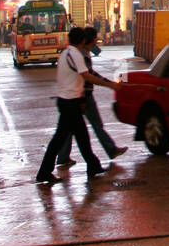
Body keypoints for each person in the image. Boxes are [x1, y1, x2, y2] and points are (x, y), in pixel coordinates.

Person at [35, 28, 115, 185]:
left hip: (69, 101)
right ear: (83, 40)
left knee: (82, 137)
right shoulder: (76, 55)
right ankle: (44, 172)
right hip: (69, 103)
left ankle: (93, 166)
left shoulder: (65, 53)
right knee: (60, 140)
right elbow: (88, 76)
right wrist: (110, 85)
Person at [55, 26, 127, 167]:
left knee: (69, 130)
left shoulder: (71, 53)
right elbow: (88, 75)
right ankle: (107, 152)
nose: (96, 41)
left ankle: (64, 157)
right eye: (95, 38)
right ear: (86, 40)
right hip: (81, 97)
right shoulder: (80, 54)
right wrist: (110, 84)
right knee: (92, 128)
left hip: (69, 98)